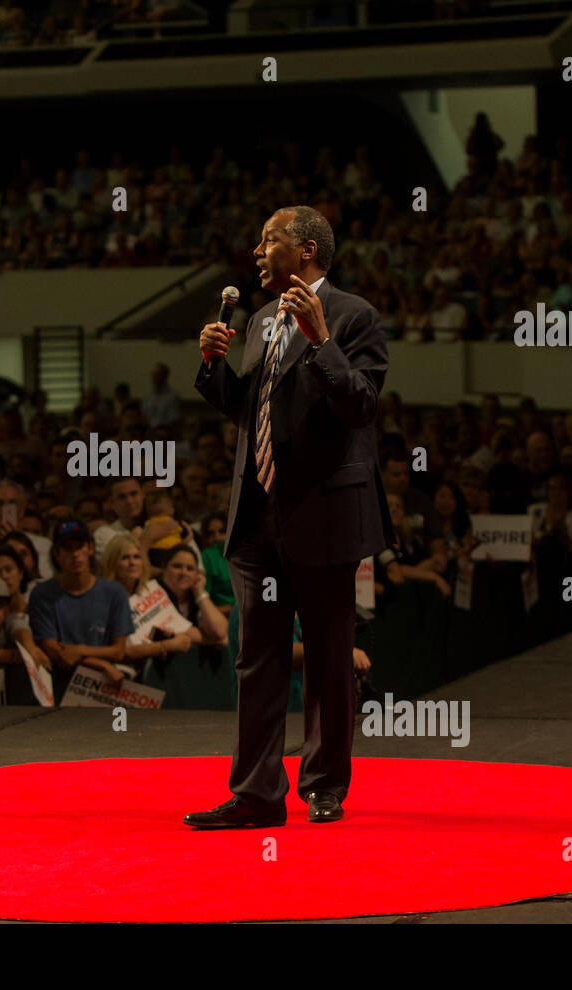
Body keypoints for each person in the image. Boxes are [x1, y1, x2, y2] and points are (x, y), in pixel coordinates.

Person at [188, 204, 393, 829]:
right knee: (259, 657)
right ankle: (255, 794)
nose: (255, 250)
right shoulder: (254, 321)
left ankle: (325, 786)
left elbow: (360, 405)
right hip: (258, 516)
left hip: (324, 515)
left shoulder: (355, 316)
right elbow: (252, 418)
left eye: (268, 240)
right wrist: (213, 368)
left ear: (305, 250)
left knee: (330, 657)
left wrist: (321, 339)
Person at [28, 518, 134, 699]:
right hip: (60, 686)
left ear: (90, 548)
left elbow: (118, 650)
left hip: (103, 688)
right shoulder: (42, 594)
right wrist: (102, 664)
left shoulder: (114, 592)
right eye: (68, 548)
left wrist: (80, 650)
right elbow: (55, 652)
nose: (75, 554)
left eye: (79, 547)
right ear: (57, 554)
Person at [98, 534, 197, 665]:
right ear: (112, 563)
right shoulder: (103, 601)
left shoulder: (150, 589)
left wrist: (168, 636)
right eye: (125, 558)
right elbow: (119, 651)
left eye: (136, 557)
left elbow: (182, 631)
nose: (132, 563)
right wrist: (165, 645)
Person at [156, 544, 228, 645]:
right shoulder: (153, 592)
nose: (183, 573)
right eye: (177, 566)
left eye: (190, 569)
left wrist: (200, 593)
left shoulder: (194, 597)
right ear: (164, 567)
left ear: (197, 574)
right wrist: (211, 640)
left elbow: (220, 631)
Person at [0, 575, 49, 670]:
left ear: (7, 607)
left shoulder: (10, 621)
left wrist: (32, 649)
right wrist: (26, 655)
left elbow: (21, 631)